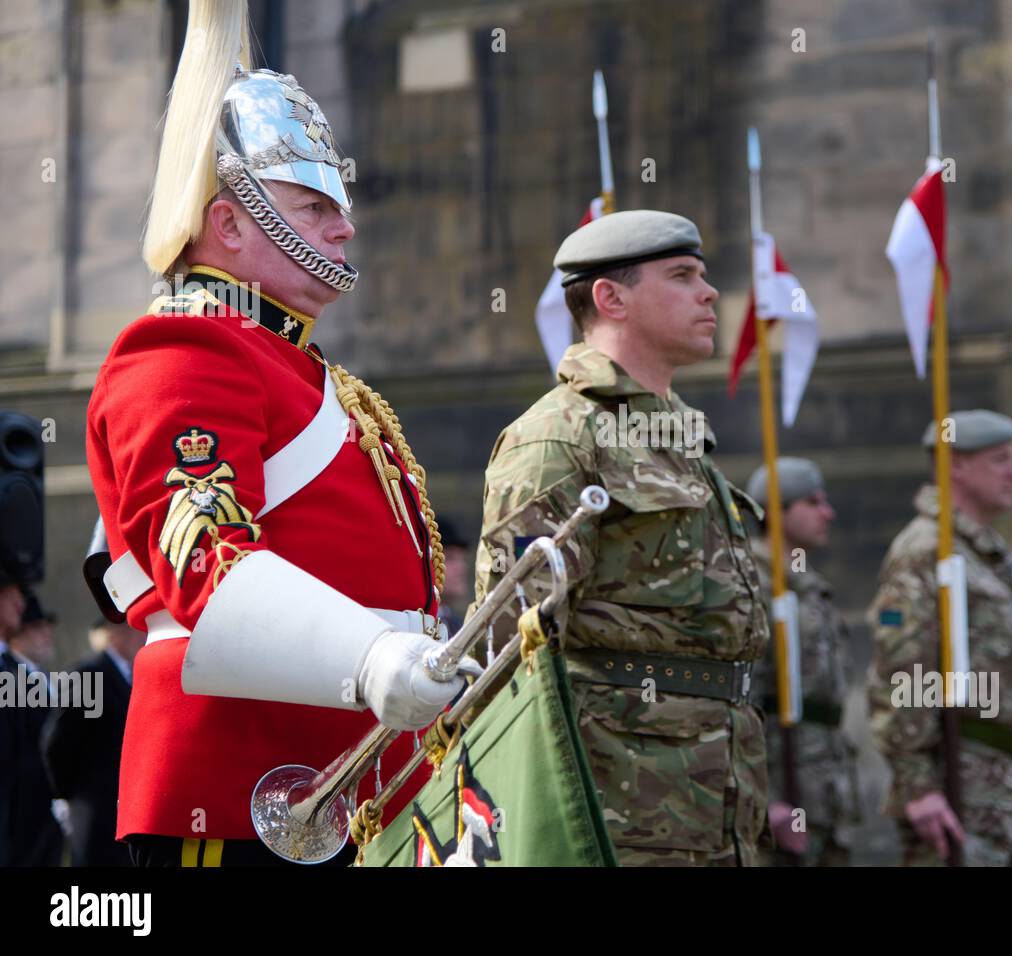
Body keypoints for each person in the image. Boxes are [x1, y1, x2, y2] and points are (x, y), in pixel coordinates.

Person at [84, 1, 469, 866]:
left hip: (351, 782)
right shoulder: (183, 348)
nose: (346, 226)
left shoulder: (306, 371)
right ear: (231, 224)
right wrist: (373, 657)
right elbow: (205, 563)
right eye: (313, 205)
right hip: (243, 792)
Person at [472, 209, 769, 866]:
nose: (709, 292)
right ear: (611, 297)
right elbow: (508, 650)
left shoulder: (681, 437)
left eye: (703, 275)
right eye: (683, 275)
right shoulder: (557, 439)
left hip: (719, 795)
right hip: (619, 805)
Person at [866, 410, 1012, 866]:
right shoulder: (925, 550)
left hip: (1006, 794)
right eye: (1000, 460)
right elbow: (903, 667)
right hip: (958, 787)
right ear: (956, 466)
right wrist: (917, 785)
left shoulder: (992, 557)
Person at [746, 457, 862, 866]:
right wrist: (766, 799)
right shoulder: (752, 586)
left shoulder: (807, 585)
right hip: (784, 786)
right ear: (777, 511)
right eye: (812, 502)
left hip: (825, 790)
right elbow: (744, 701)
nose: (827, 512)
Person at [41, 619, 146, 866]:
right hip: (93, 806)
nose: (141, 637)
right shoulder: (90, 674)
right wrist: (67, 794)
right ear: (115, 634)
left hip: (121, 807)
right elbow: (58, 741)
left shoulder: (130, 675)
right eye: (134, 631)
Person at [0, 590, 64, 865]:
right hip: (21, 814)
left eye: (46, 627)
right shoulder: (11, 676)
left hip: (46, 814)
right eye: (36, 628)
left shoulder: (47, 679)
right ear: (16, 635)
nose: (46, 634)